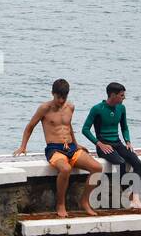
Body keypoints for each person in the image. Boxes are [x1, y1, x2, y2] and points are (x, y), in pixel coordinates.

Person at [14, 78, 102, 218]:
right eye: (58, 97)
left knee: (97, 168)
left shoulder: (70, 107)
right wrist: (23, 146)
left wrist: (76, 143)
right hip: (54, 149)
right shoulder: (44, 108)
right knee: (65, 169)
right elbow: (30, 127)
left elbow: (68, 126)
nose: (61, 100)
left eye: (64, 97)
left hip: (72, 148)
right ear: (52, 93)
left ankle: (85, 201)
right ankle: (60, 204)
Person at [81, 82, 141, 209]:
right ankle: (127, 196)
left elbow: (124, 127)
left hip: (118, 143)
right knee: (121, 162)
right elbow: (85, 129)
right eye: (122, 95)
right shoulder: (97, 109)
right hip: (103, 146)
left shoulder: (121, 108)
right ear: (112, 95)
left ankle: (136, 199)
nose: (124, 98)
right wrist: (99, 143)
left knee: (138, 163)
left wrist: (127, 141)